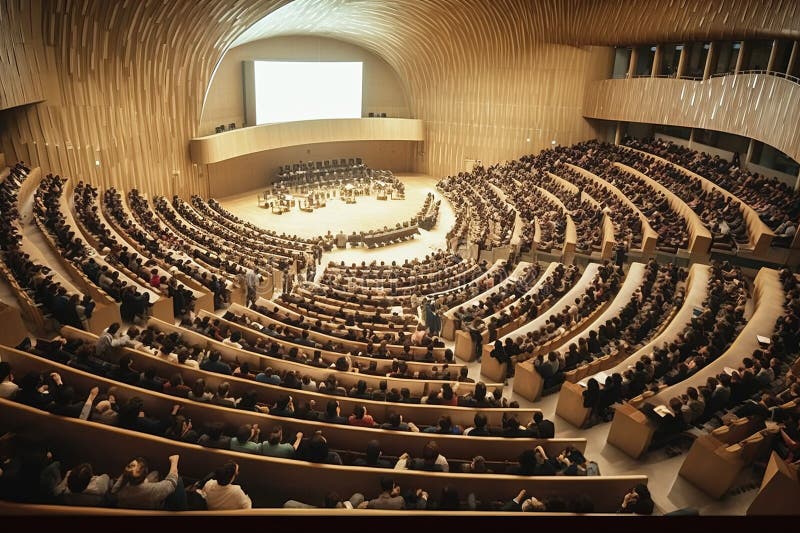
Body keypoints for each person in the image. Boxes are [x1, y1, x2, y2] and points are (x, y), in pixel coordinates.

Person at [111, 454, 186, 510]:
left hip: (135, 503)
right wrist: (174, 461)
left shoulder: (119, 489)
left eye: (131, 466)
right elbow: (171, 483)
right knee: (178, 480)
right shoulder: (150, 490)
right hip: (157, 508)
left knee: (155, 473)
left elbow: (114, 490)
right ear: (145, 476)